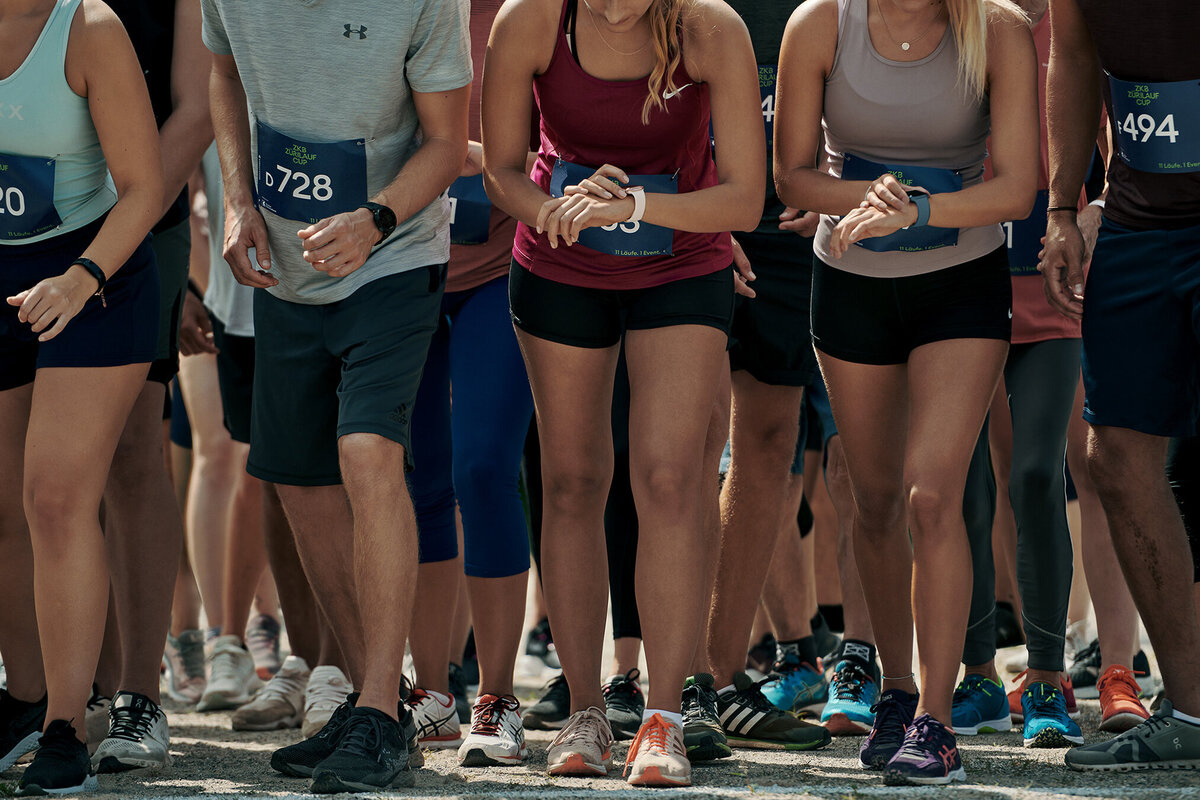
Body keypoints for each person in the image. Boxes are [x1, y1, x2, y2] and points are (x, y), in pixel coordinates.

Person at [483, 0, 764, 786]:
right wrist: (552, 211)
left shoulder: (713, 29)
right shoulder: (530, 20)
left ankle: (663, 718)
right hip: (560, 266)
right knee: (571, 479)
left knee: (671, 479)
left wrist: (634, 206)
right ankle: (582, 710)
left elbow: (745, 198)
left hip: (679, 263)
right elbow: (499, 168)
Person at [201, 0, 472, 791]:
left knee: (366, 452)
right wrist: (238, 198)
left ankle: (385, 713)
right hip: (283, 269)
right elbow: (223, 71)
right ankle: (371, 706)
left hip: (392, 256)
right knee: (297, 481)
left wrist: (377, 218)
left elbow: (447, 142)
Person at [776, 0, 1037, 785]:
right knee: (876, 498)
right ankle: (893, 690)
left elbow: (1018, 187)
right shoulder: (817, 22)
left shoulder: (999, 28)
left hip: (962, 284)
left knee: (933, 495)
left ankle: (937, 717)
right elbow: (789, 174)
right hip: (849, 285)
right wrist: (867, 206)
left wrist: (919, 210)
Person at [0, 0, 164, 793]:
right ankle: (23, 703)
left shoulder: (90, 26)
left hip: (94, 275)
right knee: (7, 505)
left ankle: (67, 726)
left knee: (57, 497)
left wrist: (80, 278)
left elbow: (144, 186)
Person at [1041, 0, 1200, 772]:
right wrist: (1065, 207)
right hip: (1140, 220)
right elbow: (1071, 56)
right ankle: (1192, 713)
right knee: (1115, 455)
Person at [950, 0, 1090, 750]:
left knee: (1038, 475)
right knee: (962, 484)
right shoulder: (958, 21)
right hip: (960, 283)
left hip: (1052, 285)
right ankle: (977, 676)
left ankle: (1047, 677)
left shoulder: (1074, 22)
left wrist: (1092, 208)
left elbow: (1111, 139)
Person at [703, 0, 835, 754]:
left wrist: (834, 182)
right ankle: (668, 684)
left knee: (770, 442)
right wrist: (708, 206)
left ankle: (719, 682)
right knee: (680, 447)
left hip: (793, 220)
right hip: (690, 204)